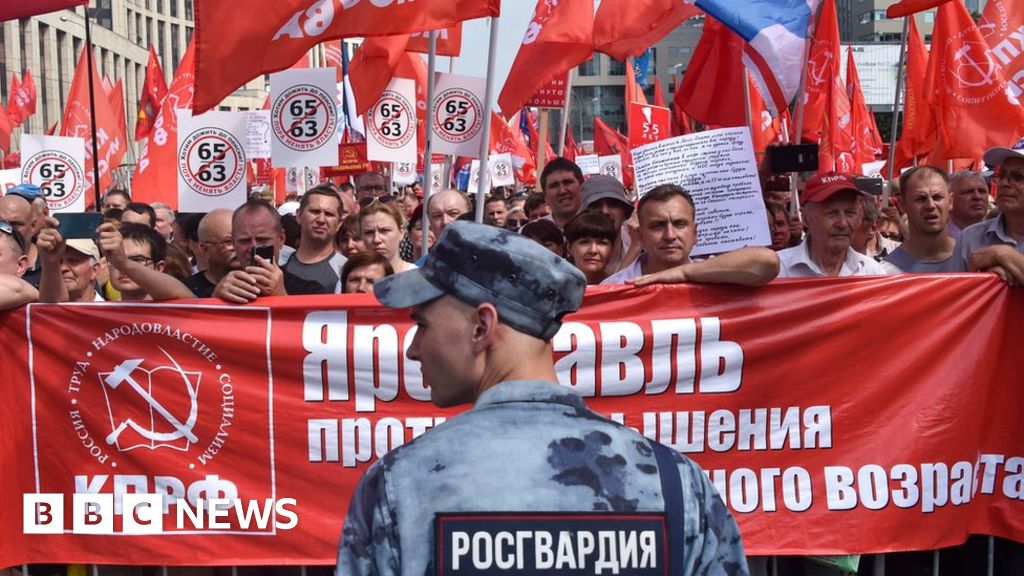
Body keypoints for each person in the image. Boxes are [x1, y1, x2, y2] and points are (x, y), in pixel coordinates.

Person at [338, 221, 749, 576]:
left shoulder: (401, 483)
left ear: (482, 327)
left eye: (423, 324)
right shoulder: (676, 482)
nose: (413, 349)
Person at [602, 184, 779, 285]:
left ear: (695, 233)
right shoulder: (614, 287)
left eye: (680, 224)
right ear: (641, 236)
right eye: (658, 226)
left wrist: (684, 273)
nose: (670, 235)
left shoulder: (716, 274)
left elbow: (768, 261)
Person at [213, 200, 328, 303]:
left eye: (262, 240)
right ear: (233, 242)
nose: (253, 248)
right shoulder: (223, 289)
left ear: (281, 239)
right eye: (245, 241)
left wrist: (281, 296)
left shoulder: (310, 292)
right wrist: (215, 301)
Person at [777, 172, 887, 277]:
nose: (842, 223)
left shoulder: (872, 272)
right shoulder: (779, 270)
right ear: (805, 218)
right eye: (831, 213)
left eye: (850, 213)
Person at [951, 139, 1024, 285]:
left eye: (1018, 176)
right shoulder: (970, 237)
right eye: (1001, 175)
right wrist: (987, 280)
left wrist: (1003, 254)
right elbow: (956, 294)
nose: (1004, 183)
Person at [882, 166, 955, 274]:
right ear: (902, 204)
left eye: (937, 197)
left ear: (950, 201)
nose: (930, 205)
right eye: (920, 199)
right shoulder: (886, 273)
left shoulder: (972, 260)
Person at [97, 222, 195, 301]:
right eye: (116, 260)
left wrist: (124, 263)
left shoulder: (176, 308)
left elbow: (183, 294)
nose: (123, 269)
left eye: (137, 260)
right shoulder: (101, 312)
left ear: (159, 267)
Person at [282, 187, 347, 293]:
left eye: (329, 214)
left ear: (339, 223)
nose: (321, 220)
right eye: (315, 212)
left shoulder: (346, 270)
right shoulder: (279, 264)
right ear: (299, 215)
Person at [576, 174, 638, 274]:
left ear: (625, 213)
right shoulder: (572, 263)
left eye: (613, 204)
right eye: (596, 205)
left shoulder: (644, 252)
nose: (605, 211)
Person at [37, 224, 103, 303]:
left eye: (73, 261)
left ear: (95, 270)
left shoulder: (110, 310)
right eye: (58, 262)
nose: (63, 268)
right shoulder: (35, 310)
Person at [185, 209, 238, 298]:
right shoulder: (188, 291)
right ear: (205, 249)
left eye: (243, 240)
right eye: (228, 241)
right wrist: (214, 300)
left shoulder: (260, 283)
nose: (238, 247)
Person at [0, 184, 42, 286]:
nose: (7, 230)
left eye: (15, 224)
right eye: (1, 223)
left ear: (33, 226)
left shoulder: (50, 264)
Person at [360, 200, 417, 273]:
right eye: (369, 232)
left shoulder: (417, 276)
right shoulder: (355, 276)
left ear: (401, 232)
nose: (376, 239)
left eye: (384, 230)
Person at [564, 210, 617, 284]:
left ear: (612, 248)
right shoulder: (555, 288)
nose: (593, 250)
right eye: (584, 242)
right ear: (569, 247)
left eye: (602, 243)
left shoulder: (620, 285)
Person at [540, 156, 583, 229]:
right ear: (545, 197)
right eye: (554, 185)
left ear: (582, 186)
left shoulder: (601, 227)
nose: (562, 191)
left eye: (568, 182)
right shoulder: (530, 233)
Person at [947, 171, 990, 239]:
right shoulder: (935, 238)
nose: (977, 197)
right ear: (950, 199)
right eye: (968, 192)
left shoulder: (998, 237)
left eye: (982, 191)